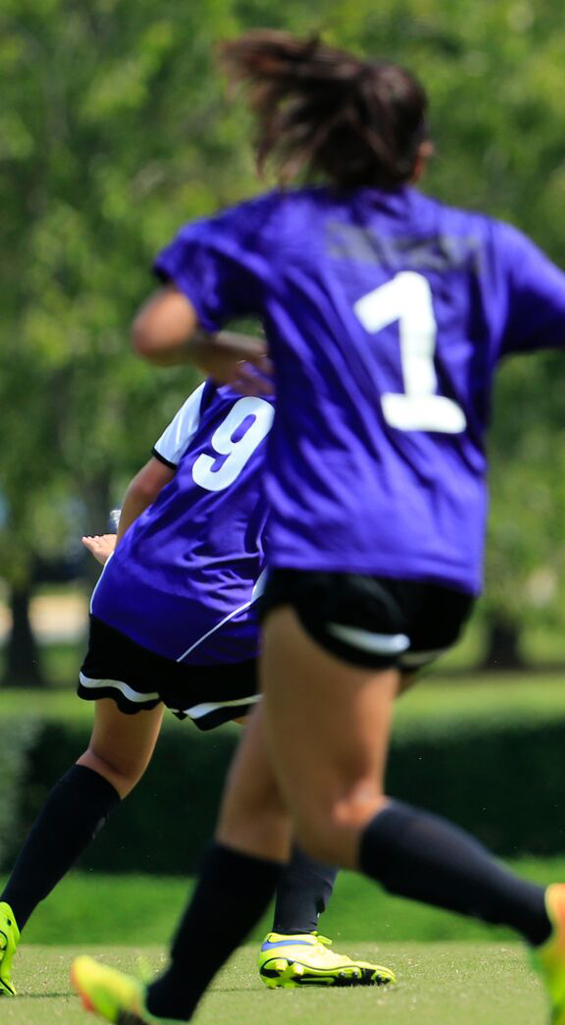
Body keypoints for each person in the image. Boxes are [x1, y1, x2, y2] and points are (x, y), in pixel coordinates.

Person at [69, 31, 565, 1025]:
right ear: (420, 157)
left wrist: (223, 349)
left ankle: (549, 919)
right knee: (260, 799)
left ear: (317, 149)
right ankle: (167, 1004)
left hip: (337, 555)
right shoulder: (480, 242)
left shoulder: (282, 229)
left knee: (336, 807)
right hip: (438, 566)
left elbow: (155, 332)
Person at [2, 383, 393, 996]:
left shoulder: (223, 381)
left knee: (108, 761)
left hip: (122, 590)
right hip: (209, 613)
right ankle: (295, 937)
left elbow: (142, 490)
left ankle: (6, 917)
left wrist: (126, 559)